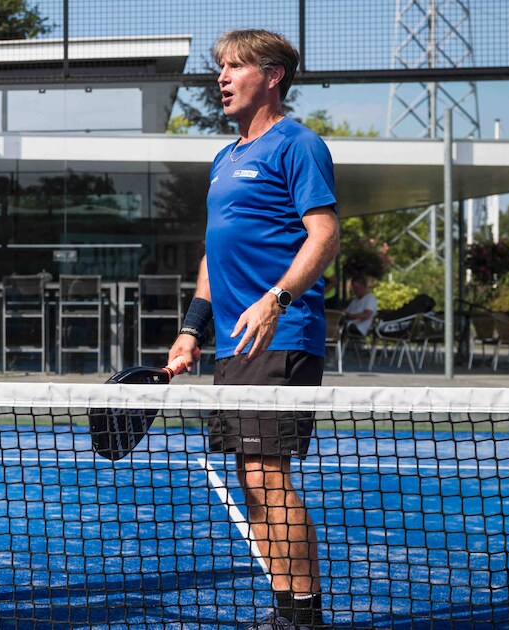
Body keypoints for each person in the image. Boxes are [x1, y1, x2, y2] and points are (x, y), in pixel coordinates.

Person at [166, 29, 339, 630]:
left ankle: (305, 617)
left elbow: (325, 235)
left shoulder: (298, 145)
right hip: (234, 346)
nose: (221, 77)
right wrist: (192, 329)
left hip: (282, 337)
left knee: (269, 474)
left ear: (272, 76)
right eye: (221, 67)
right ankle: (288, 608)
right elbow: (216, 254)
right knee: (250, 477)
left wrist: (277, 301)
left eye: (235, 66)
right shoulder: (225, 157)